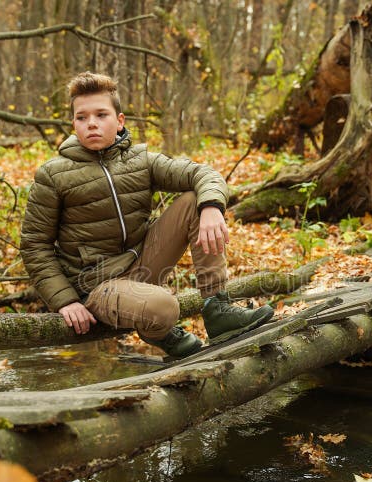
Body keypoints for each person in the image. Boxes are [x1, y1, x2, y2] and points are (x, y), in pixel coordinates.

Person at [20, 72, 273, 358]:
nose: (91, 123)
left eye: (101, 114)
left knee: (194, 201)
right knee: (165, 307)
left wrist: (212, 207)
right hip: (98, 285)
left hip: (145, 263)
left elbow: (202, 173)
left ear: (120, 121)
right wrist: (64, 301)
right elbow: (34, 245)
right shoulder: (53, 175)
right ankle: (161, 331)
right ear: (73, 123)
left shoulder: (141, 161)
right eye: (82, 117)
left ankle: (218, 309)